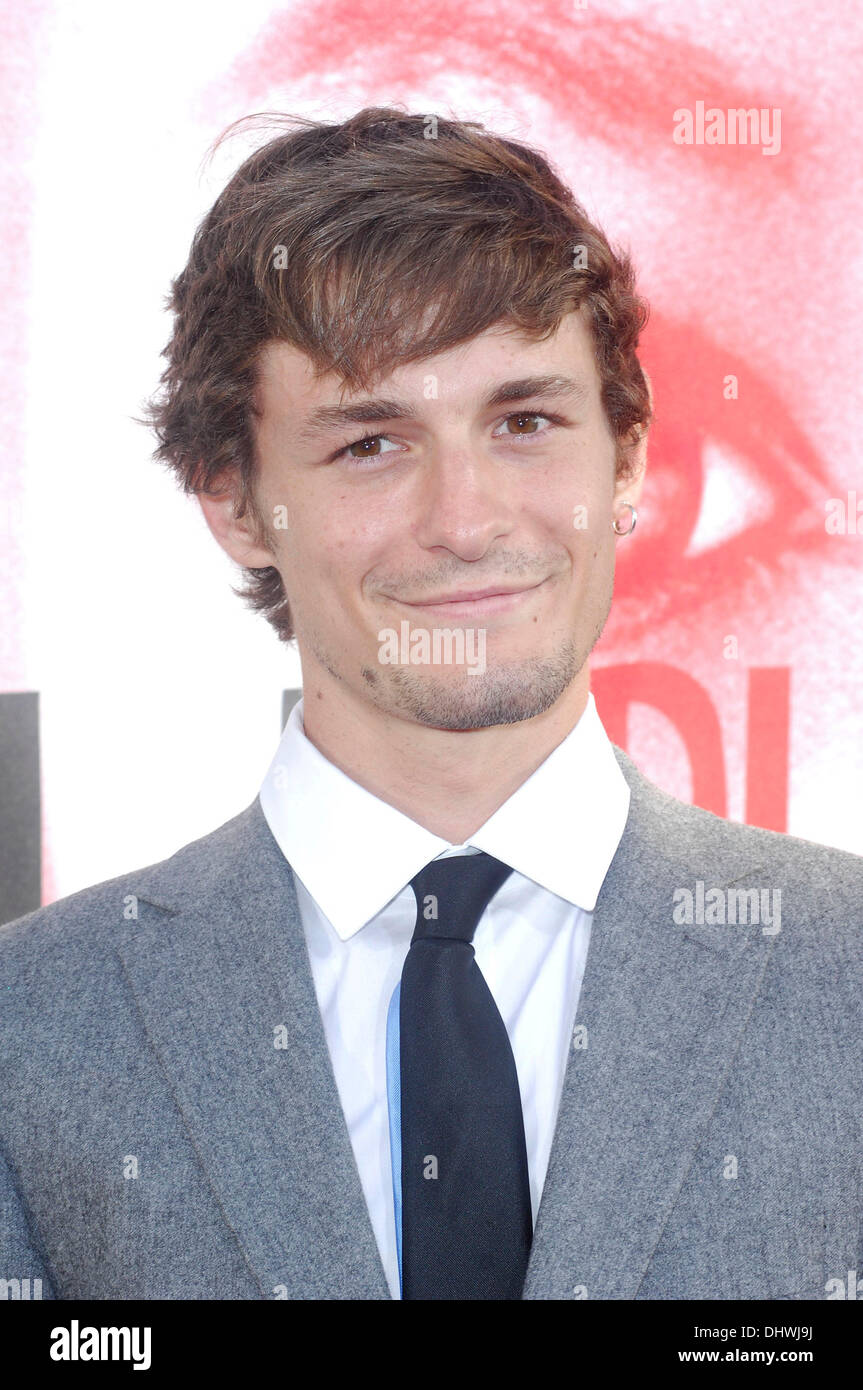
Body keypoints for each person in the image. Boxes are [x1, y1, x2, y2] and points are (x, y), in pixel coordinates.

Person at [1, 106, 861, 1302]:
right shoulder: (31, 1028)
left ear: (624, 463)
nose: (464, 520)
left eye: (524, 422)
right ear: (235, 501)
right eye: (369, 442)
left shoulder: (845, 969)